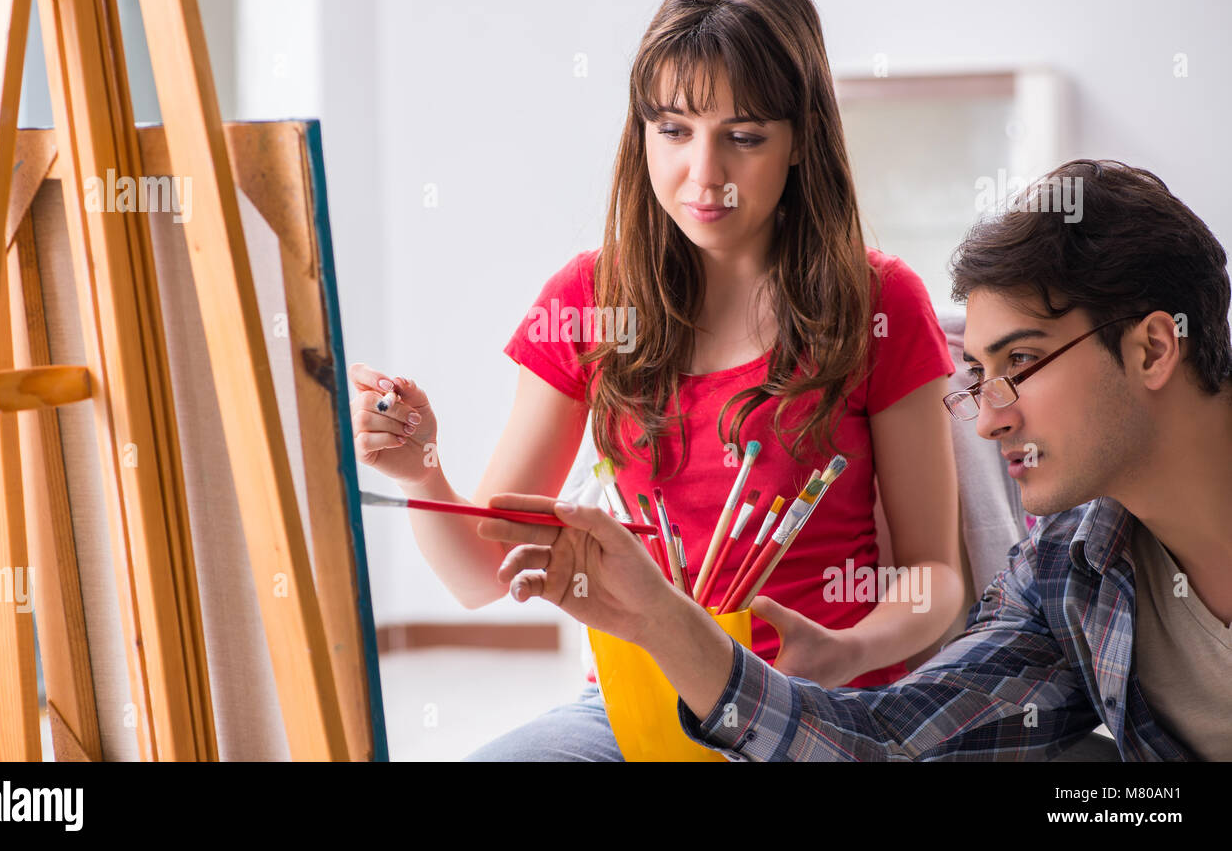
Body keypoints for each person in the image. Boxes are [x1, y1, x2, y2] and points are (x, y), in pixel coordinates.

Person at [350, 0, 963, 760]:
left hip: (817, 707)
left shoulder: (879, 301)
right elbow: (481, 575)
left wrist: (848, 650)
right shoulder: (585, 300)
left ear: (802, 138)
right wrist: (419, 471)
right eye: (673, 130)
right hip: (637, 709)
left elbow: (935, 578)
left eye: (743, 137)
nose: (703, 175)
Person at [481, 159, 1232, 761]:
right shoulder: (1067, 575)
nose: (988, 420)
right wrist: (664, 623)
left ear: (1152, 348)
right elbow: (886, 737)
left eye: (1023, 361)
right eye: (976, 378)